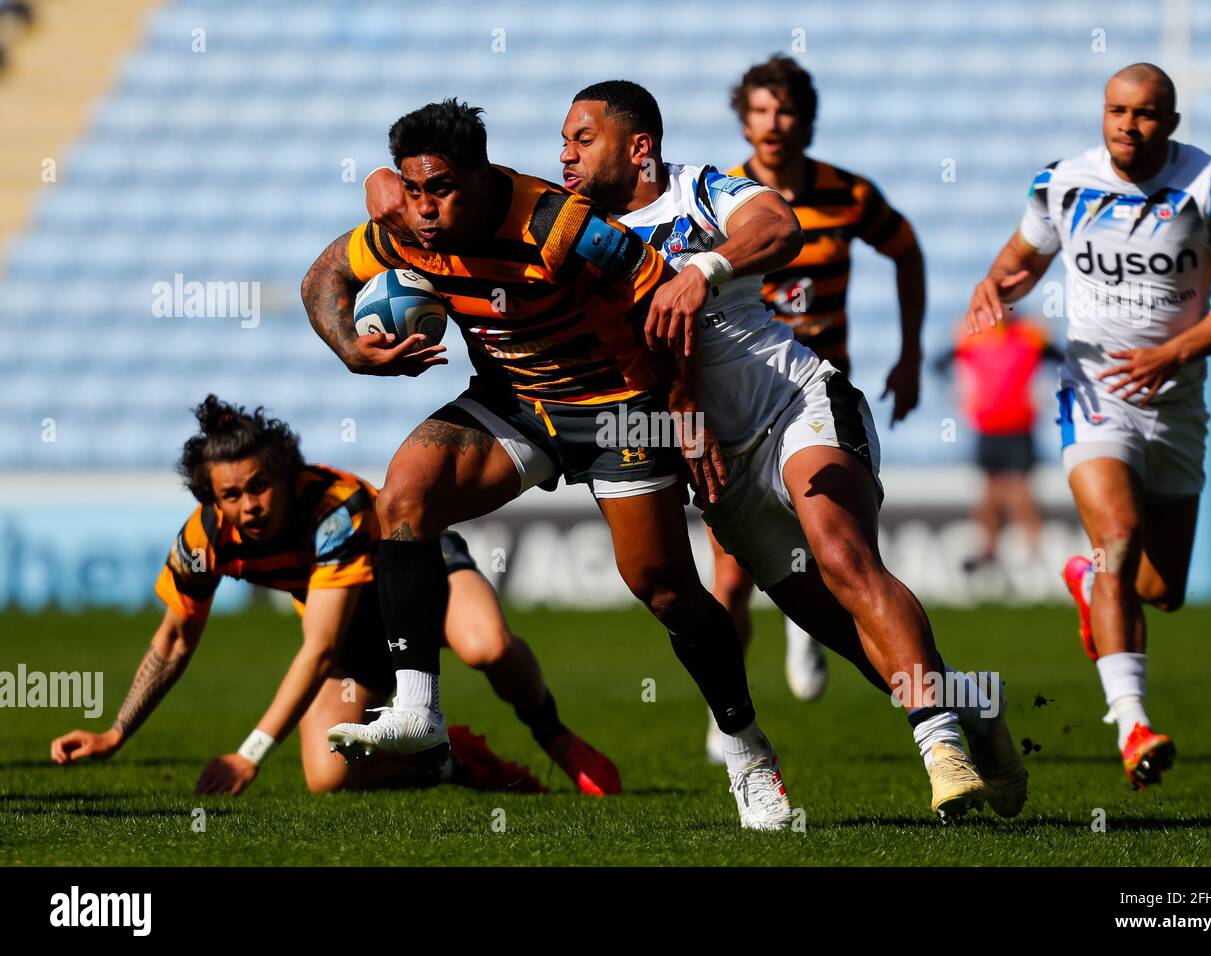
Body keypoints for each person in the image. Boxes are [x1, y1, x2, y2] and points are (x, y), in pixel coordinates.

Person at [369, 81, 1026, 820]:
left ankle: (940, 748)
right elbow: (430, 192)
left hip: (793, 402)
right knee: (842, 630)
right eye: (562, 142)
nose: (565, 155)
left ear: (639, 147)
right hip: (711, 459)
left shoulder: (700, 191)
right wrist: (380, 187)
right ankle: (970, 704)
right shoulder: (566, 225)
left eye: (583, 139)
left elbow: (781, 227)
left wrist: (703, 269)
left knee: (843, 559)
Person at [303, 99, 795, 829]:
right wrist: (352, 348)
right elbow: (322, 278)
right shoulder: (402, 226)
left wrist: (686, 413)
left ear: (482, 173)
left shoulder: (558, 227)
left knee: (661, 587)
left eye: (440, 189)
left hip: (616, 403)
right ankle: (417, 707)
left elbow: (664, 302)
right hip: (516, 400)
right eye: (413, 190)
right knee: (403, 496)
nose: (425, 208)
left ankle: (747, 748)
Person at [50, 396, 621, 796]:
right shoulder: (205, 538)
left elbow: (318, 649)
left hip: (422, 575)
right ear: (211, 497)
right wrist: (116, 732)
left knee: (487, 647)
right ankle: (452, 763)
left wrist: (247, 752)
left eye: (259, 486)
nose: (249, 505)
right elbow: (174, 639)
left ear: (284, 474)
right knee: (328, 777)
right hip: (355, 635)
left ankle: (556, 736)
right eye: (232, 495)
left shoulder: (334, 507)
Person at [965, 63, 1211, 787]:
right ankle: (1133, 723)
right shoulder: (1060, 183)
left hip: (1177, 397)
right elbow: (1020, 261)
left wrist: (1173, 351)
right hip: (1095, 392)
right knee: (1117, 539)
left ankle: (1087, 584)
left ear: (1169, 122)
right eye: (1116, 111)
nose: (1127, 127)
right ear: (1101, 112)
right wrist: (993, 287)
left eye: (1144, 115)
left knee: (1161, 587)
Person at [705, 55, 929, 703]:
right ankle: (731, 715)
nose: (774, 123)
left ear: (807, 121)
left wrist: (910, 354)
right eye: (762, 111)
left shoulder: (847, 194)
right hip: (746, 404)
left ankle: (815, 628)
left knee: (842, 548)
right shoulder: (723, 200)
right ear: (744, 122)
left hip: (816, 399)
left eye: (787, 111)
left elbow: (906, 248)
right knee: (729, 577)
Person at [933, 313, 1062, 571]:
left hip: (1019, 423)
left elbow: (1060, 358)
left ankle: (1034, 549)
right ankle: (989, 549)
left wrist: (1047, 389)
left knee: (1020, 488)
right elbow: (939, 365)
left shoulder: (1029, 336)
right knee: (990, 488)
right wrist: (956, 393)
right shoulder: (973, 338)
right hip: (987, 424)